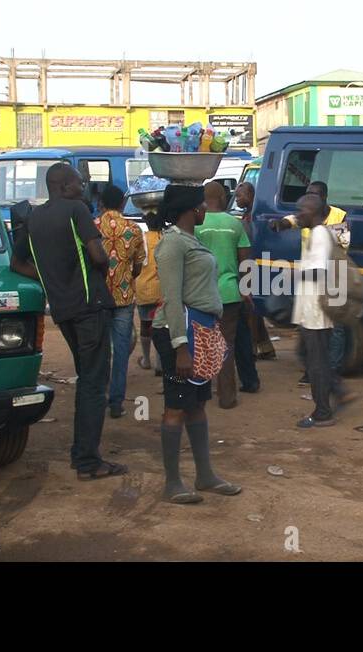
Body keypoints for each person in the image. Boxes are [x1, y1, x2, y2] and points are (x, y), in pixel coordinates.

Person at [10, 163, 125, 481]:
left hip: (64, 310)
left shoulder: (33, 219)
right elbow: (99, 256)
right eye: (78, 182)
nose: (83, 187)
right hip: (91, 306)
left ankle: (84, 455)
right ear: (63, 186)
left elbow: (17, 262)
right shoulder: (76, 209)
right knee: (93, 383)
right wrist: (100, 268)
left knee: (86, 377)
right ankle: (87, 460)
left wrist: (49, 278)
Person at [153, 184, 242, 504]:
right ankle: (173, 483)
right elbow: (172, 300)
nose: (206, 209)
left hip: (200, 329)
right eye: (202, 205)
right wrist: (180, 347)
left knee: (197, 404)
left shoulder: (190, 240)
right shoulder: (173, 245)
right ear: (191, 210)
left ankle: (205, 475)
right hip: (181, 333)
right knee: (176, 407)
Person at [272, 194, 354, 428]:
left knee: (316, 362)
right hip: (312, 307)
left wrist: (292, 275)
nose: (298, 215)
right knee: (311, 357)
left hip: (317, 310)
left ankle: (323, 412)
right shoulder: (318, 229)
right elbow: (294, 222)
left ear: (315, 213)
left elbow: (318, 272)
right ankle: (338, 392)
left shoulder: (320, 235)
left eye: (302, 211)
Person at [195, 181, 258, 409]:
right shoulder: (235, 224)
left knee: (201, 344)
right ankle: (227, 396)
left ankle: (199, 395)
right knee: (226, 346)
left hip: (200, 295)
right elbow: (246, 262)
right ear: (223, 199)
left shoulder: (195, 224)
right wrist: (246, 291)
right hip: (230, 295)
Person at [95, 184, 145, 419]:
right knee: (122, 348)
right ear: (123, 204)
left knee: (99, 348)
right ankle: (116, 402)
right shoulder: (133, 229)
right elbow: (138, 265)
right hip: (124, 298)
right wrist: (125, 278)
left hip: (98, 298)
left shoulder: (92, 227)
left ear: (101, 204)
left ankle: (97, 397)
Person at [234, 181, 277, 362]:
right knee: (253, 308)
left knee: (249, 310)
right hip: (252, 265)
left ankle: (251, 349)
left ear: (251, 195)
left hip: (251, 266)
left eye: (240, 195)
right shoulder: (248, 215)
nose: (237, 199)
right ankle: (266, 347)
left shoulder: (254, 217)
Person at [135, 209, 165, 376]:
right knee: (161, 327)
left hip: (144, 289)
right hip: (162, 290)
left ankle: (146, 360)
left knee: (146, 326)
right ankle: (160, 364)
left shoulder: (142, 239)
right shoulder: (166, 238)